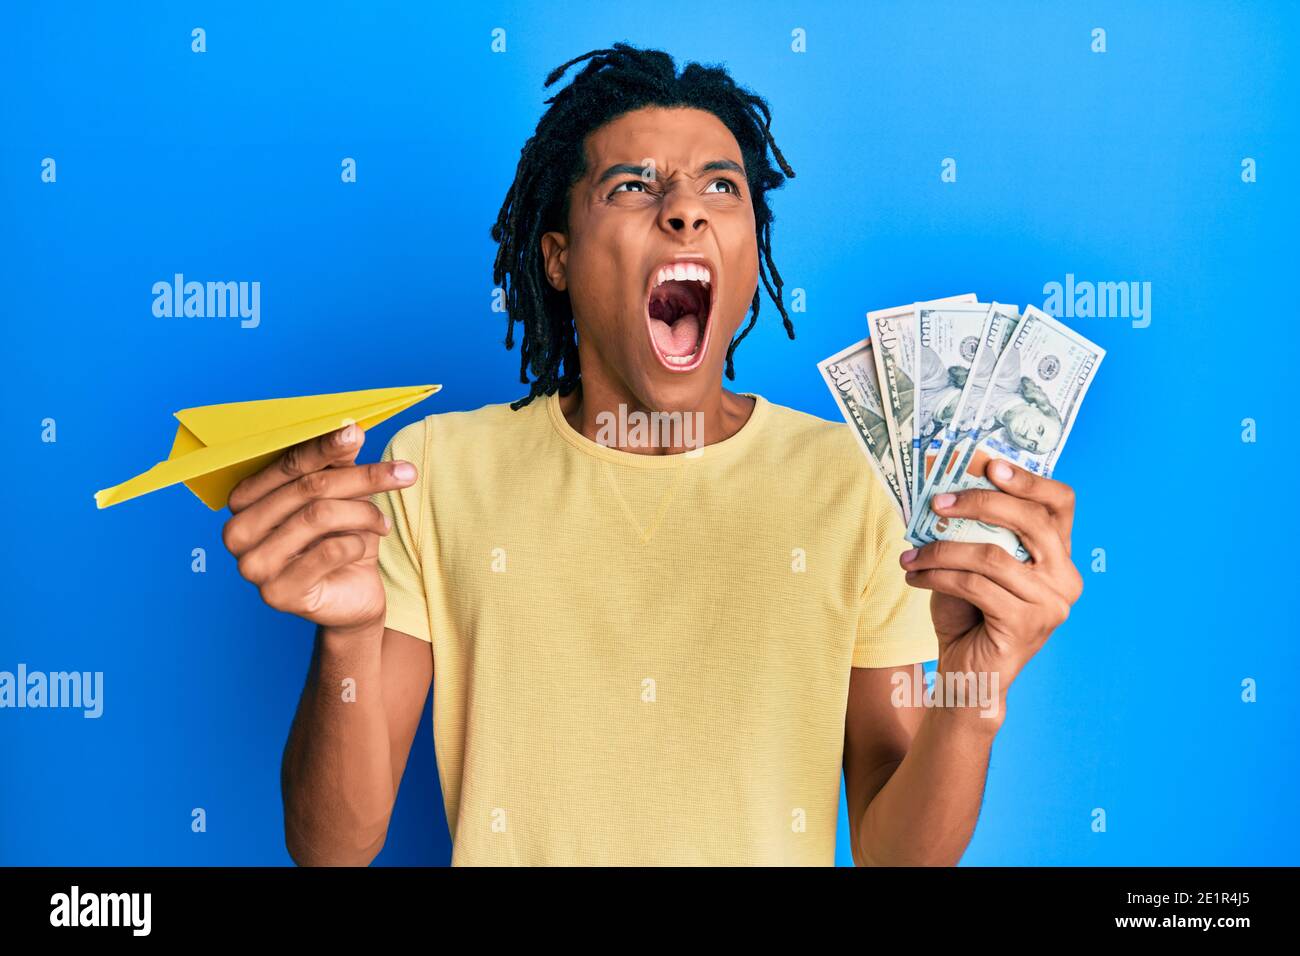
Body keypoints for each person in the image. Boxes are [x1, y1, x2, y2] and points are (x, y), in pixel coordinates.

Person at [219, 43, 1083, 866]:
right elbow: (332, 848)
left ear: (748, 262)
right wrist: (348, 639)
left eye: (721, 185)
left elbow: (898, 852)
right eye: (634, 186)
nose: (684, 206)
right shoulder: (434, 470)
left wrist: (975, 692)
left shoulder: (850, 482)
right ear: (555, 259)